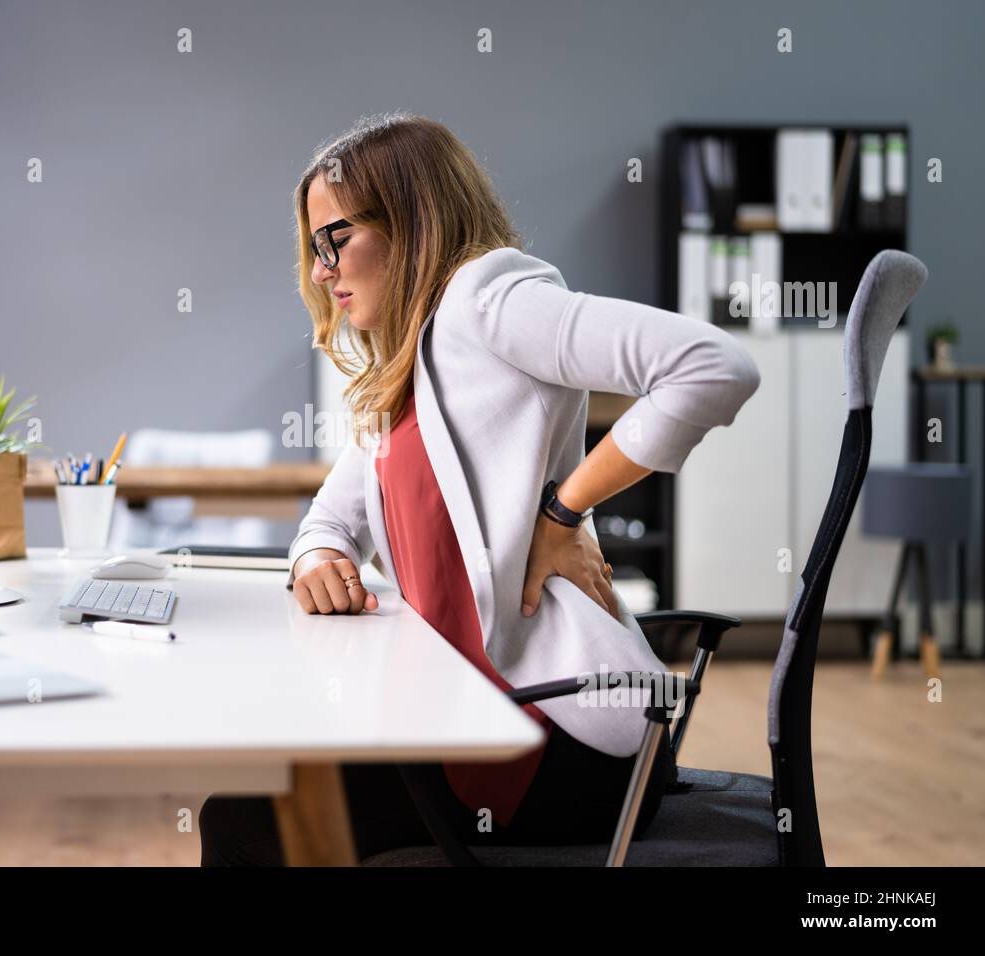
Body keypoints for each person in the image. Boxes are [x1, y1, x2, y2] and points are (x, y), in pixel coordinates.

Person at [200, 112, 760, 866]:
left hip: (560, 737)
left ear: (410, 219)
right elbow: (327, 519)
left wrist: (566, 511)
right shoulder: (404, 372)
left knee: (249, 823)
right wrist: (316, 561)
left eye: (336, 238)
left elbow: (714, 364)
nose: (322, 268)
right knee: (249, 807)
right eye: (313, 247)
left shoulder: (485, 296)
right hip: (471, 717)